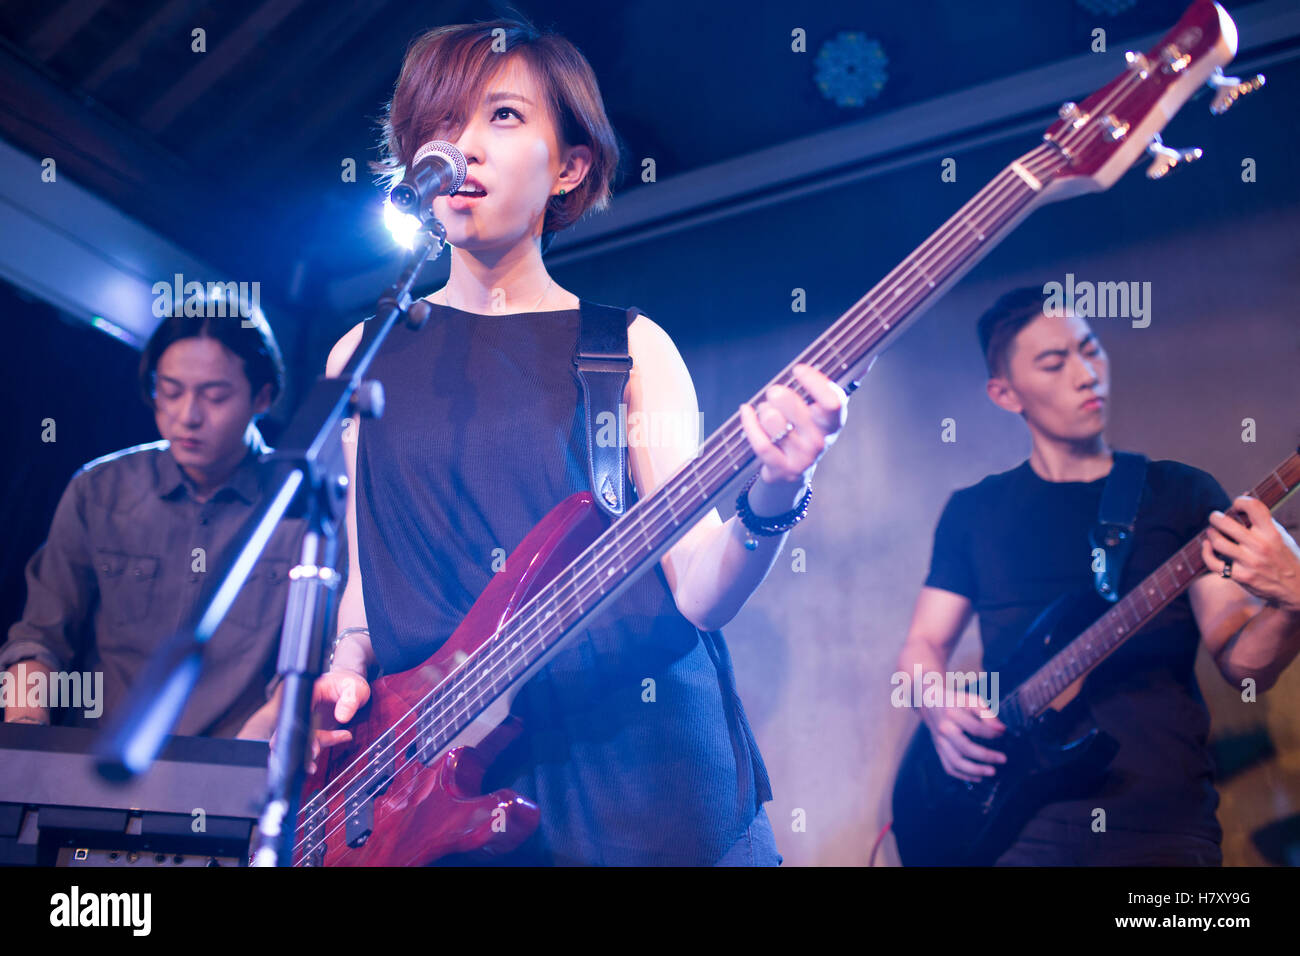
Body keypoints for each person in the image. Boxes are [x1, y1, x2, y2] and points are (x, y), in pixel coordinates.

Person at [302, 17, 849, 865]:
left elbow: (699, 591)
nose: (465, 147)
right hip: (447, 801)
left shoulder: (627, 348)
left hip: (651, 784)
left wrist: (773, 494)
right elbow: (377, 580)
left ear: (570, 167)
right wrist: (346, 663)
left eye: (503, 117)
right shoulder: (362, 354)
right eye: (441, 124)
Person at [896, 286, 1300, 865]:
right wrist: (935, 704)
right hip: (1011, 831)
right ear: (1005, 393)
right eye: (1054, 363)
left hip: (1163, 831)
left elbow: (1242, 664)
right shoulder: (973, 511)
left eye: (1090, 349)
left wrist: (1293, 602)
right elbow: (923, 644)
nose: (1086, 374)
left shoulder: (1181, 493)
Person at [0, 312, 307, 738]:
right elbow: (40, 636)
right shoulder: (100, 490)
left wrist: (249, 760)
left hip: (232, 775)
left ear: (262, 398)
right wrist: (24, 736)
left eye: (215, 396)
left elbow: (310, 669)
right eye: (170, 391)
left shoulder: (306, 506)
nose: (187, 416)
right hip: (93, 765)